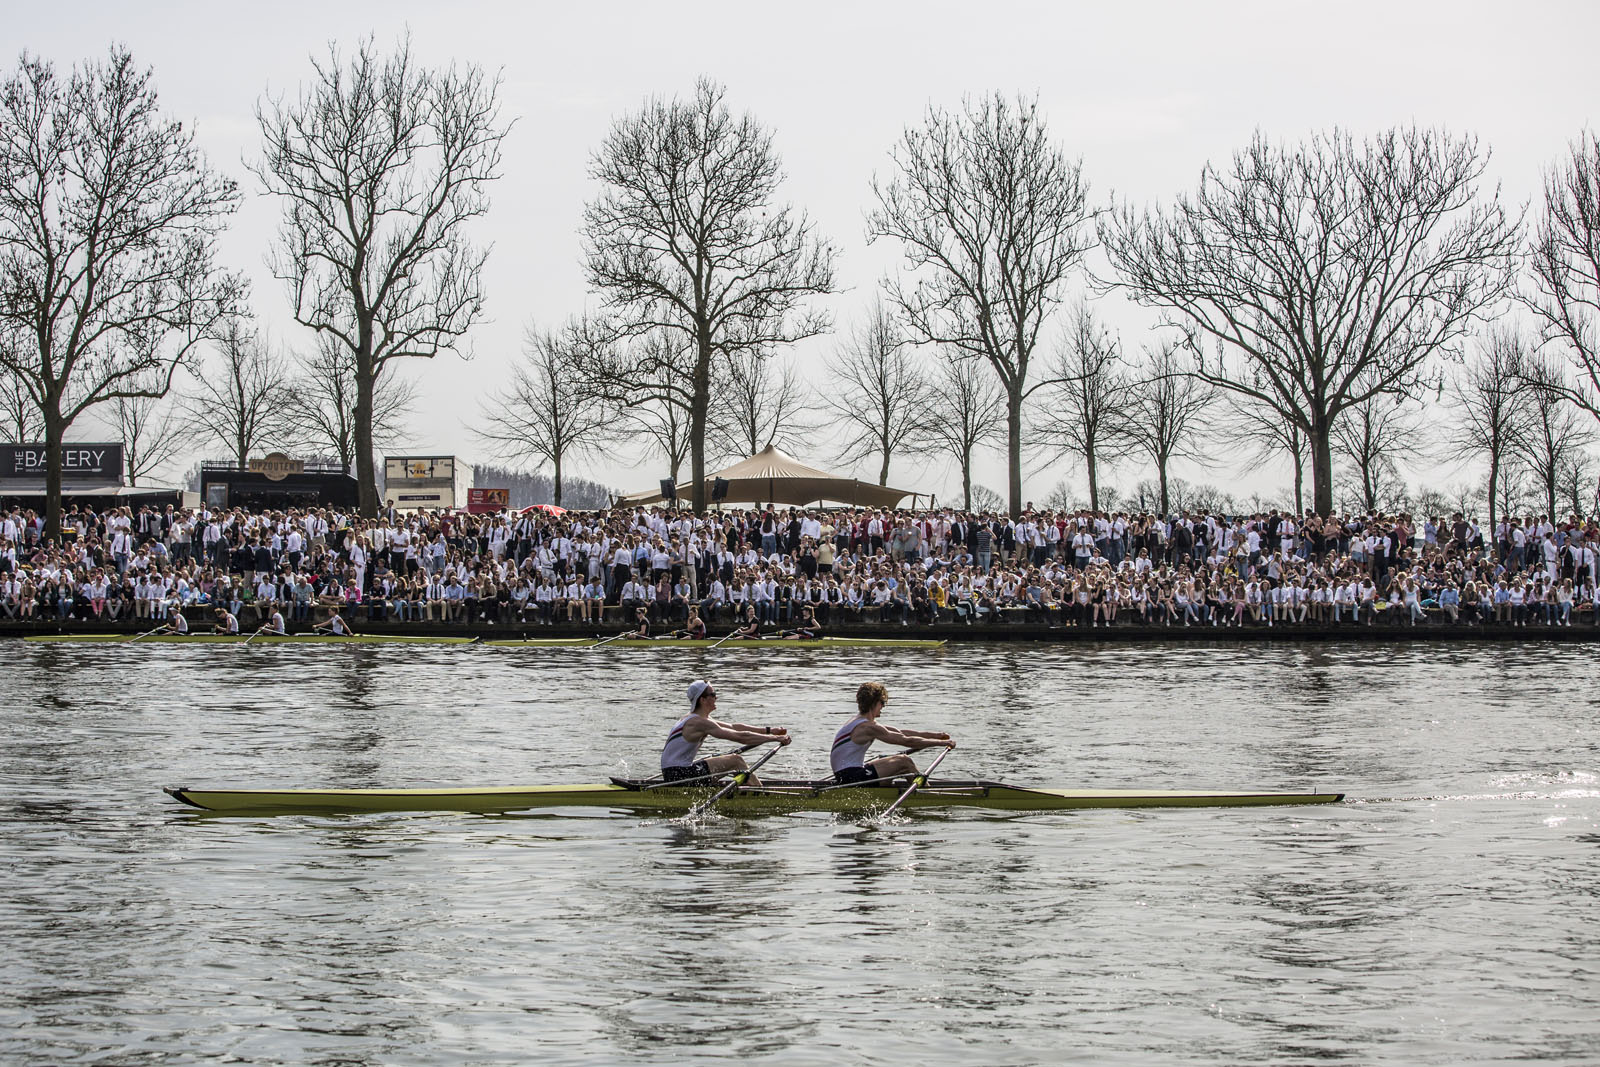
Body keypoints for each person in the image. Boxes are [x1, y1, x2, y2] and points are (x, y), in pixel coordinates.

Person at [659, 680, 790, 786]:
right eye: (713, 694)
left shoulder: (698, 718)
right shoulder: (698, 723)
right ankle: (760, 793)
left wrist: (769, 730)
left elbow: (734, 727)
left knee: (724, 759)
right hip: (678, 775)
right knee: (736, 760)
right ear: (702, 700)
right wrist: (776, 738)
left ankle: (744, 788)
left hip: (674, 773)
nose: (716, 697)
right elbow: (740, 737)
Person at [830, 681, 953, 785]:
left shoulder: (858, 721)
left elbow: (900, 732)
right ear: (874, 703)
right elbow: (906, 741)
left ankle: (909, 791)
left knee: (893, 761)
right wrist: (942, 743)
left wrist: (936, 736)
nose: (883, 706)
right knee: (904, 761)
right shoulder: (867, 727)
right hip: (851, 778)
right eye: (882, 703)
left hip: (846, 775)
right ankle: (925, 796)